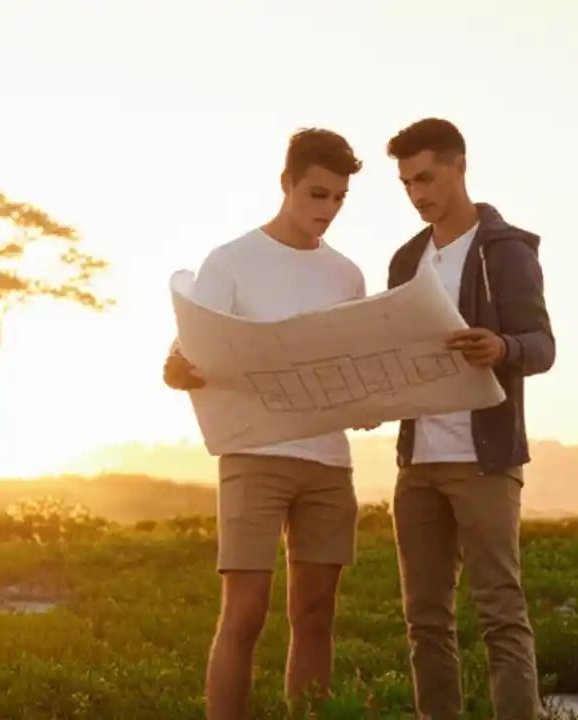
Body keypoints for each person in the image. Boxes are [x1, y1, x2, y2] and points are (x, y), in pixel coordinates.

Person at [163, 127, 368, 719]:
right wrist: (178, 369)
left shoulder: (347, 276)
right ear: (286, 184)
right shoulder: (230, 261)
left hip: (328, 463)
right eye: (316, 194)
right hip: (253, 455)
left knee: (316, 613)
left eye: (338, 198)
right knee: (245, 612)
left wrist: (368, 398)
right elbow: (187, 355)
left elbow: (356, 363)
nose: (327, 209)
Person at [383, 118, 556, 720]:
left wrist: (502, 347)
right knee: (425, 622)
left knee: (500, 614)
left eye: (426, 178)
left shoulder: (505, 251)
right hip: (418, 464)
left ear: (460, 166)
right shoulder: (407, 259)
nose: (417, 194)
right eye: (407, 183)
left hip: (485, 461)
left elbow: (543, 345)